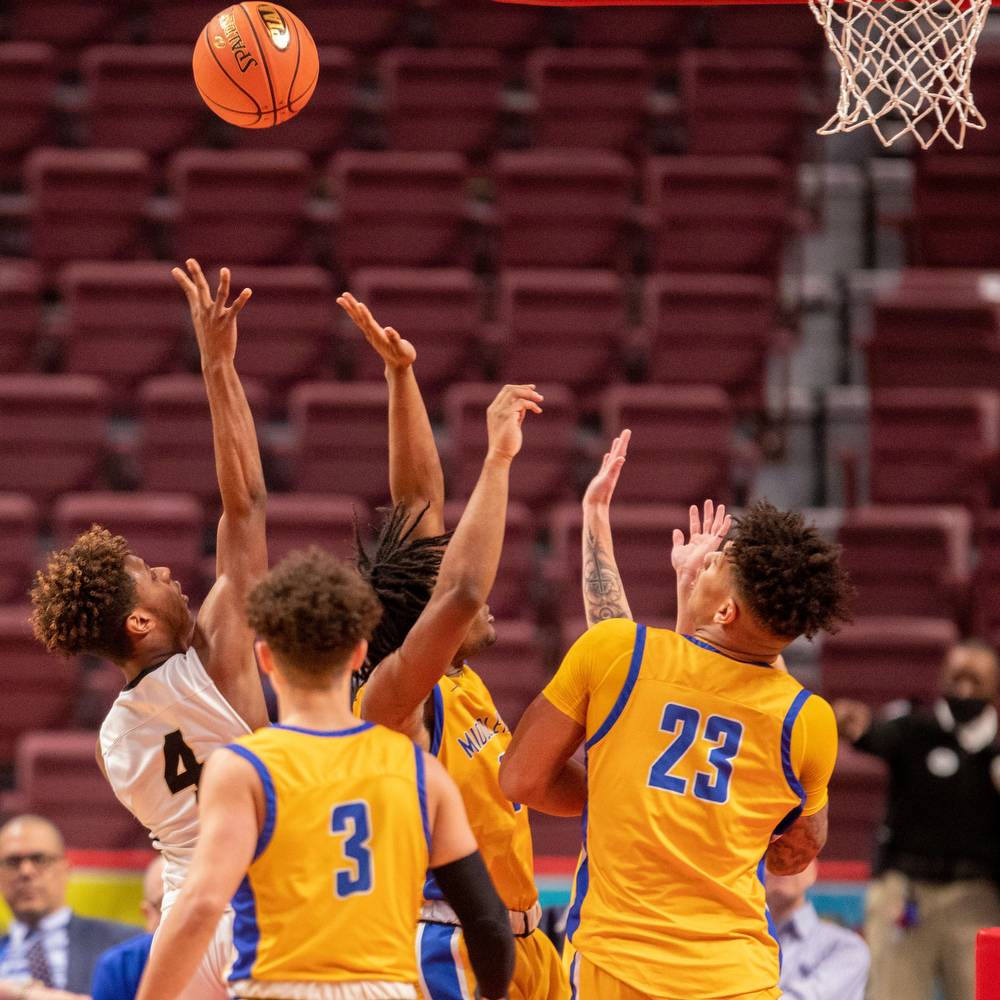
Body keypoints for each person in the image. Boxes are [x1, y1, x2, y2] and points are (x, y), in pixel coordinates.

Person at [500, 490, 854, 1000]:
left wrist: (613, 789)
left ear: (728, 610)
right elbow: (795, 855)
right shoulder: (807, 720)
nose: (708, 559)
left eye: (717, 564)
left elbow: (521, 779)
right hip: (739, 978)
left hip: (618, 967)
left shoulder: (620, 651)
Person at [30, 260, 270, 1000]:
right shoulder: (223, 655)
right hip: (255, 900)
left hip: (180, 917)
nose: (167, 573)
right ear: (138, 621)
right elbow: (247, 507)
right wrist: (219, 365)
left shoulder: (109, 743)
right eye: (150, 577)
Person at [134, 546, 515, 1000]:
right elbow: (487, 918)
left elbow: (199, 908)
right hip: (386, 988)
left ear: (267, 658)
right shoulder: (421, 772)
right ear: (358, 653)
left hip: (280, 987)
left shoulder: (243, 769)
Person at [337, 293, 568, 1000]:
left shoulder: (456, 676)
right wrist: (498, 459)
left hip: (528, 942)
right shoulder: (391, 700)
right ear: (424, 622)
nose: (489, 590)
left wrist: (400, 377)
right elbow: (462, 589)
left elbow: (415, 508)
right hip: (446, 946)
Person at [834, 639, 1000, 1000]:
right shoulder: (914, 728)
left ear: (995, 690)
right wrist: (853, 725)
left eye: (975, 681)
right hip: (906, 894)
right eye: (956, 679)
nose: (964, 690)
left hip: (978, 898)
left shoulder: (997, 748)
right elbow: (871, 733)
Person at [0, 816, 142, 995]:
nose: (26, 871)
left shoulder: (125, 945)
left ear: (65, 869)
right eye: (12, 862)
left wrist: (22, 993)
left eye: (40, 859)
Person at [765, 859, 870, 1000]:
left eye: (796, 856)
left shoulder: (847, 947)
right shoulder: (737, 942)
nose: (783, 863)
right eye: (770, 854)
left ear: (813, 870)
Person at [89, 855, 165, 1000]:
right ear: (148, 915)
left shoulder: (221, 952)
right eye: (165, 904)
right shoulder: (118, 966)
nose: (183, 917)